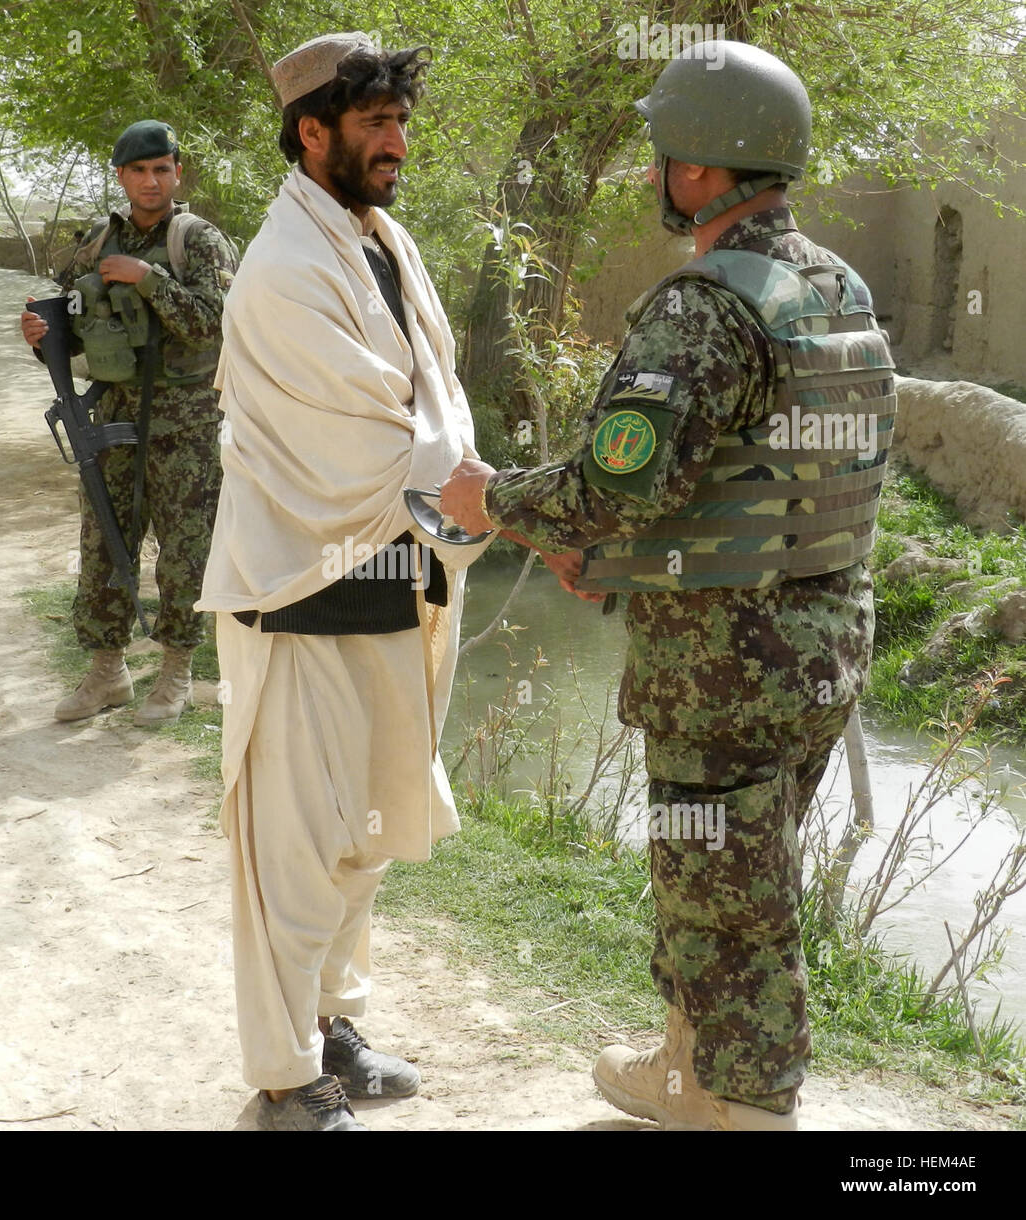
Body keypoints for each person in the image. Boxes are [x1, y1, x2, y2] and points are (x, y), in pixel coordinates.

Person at [441, 40, 893, 1130]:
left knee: (724, 894)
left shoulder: (705, 305)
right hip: (821, 643)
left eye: (659, 151)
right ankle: (690, 1065)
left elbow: (616, 480)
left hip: (723, 666)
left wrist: (493, 499)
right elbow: (756, 478)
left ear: (696, 167)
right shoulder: (837, 286)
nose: (651, 170)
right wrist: (614, 553)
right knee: (737, 869)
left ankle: (744, 1105)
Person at [194, 34, 491, 1131]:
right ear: (310, 131)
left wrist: (477, 489)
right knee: (295, 849)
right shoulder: (281, 269)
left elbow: (440, 403)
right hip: (300, 592)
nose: (396, 144)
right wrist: (503, 501)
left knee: (367, 832)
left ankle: (333, 1024)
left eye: (401, 122)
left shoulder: (380, 240)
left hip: (393, 579)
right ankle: (281, 1077)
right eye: (374, 123)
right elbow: (363, 449)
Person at [20, 120, 238, 724]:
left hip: (184, 420)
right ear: (121, 177)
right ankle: (106, 672)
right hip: (112, 413)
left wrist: (150, 280)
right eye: (138, 171)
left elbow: (214, 324)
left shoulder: (198, 241)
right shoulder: (96, 243)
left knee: (183, 548)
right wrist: (41, 337)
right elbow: (69, 315)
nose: (150, 181)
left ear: (176, 172)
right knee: (103, 541)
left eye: (161, 169)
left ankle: (175, 671)